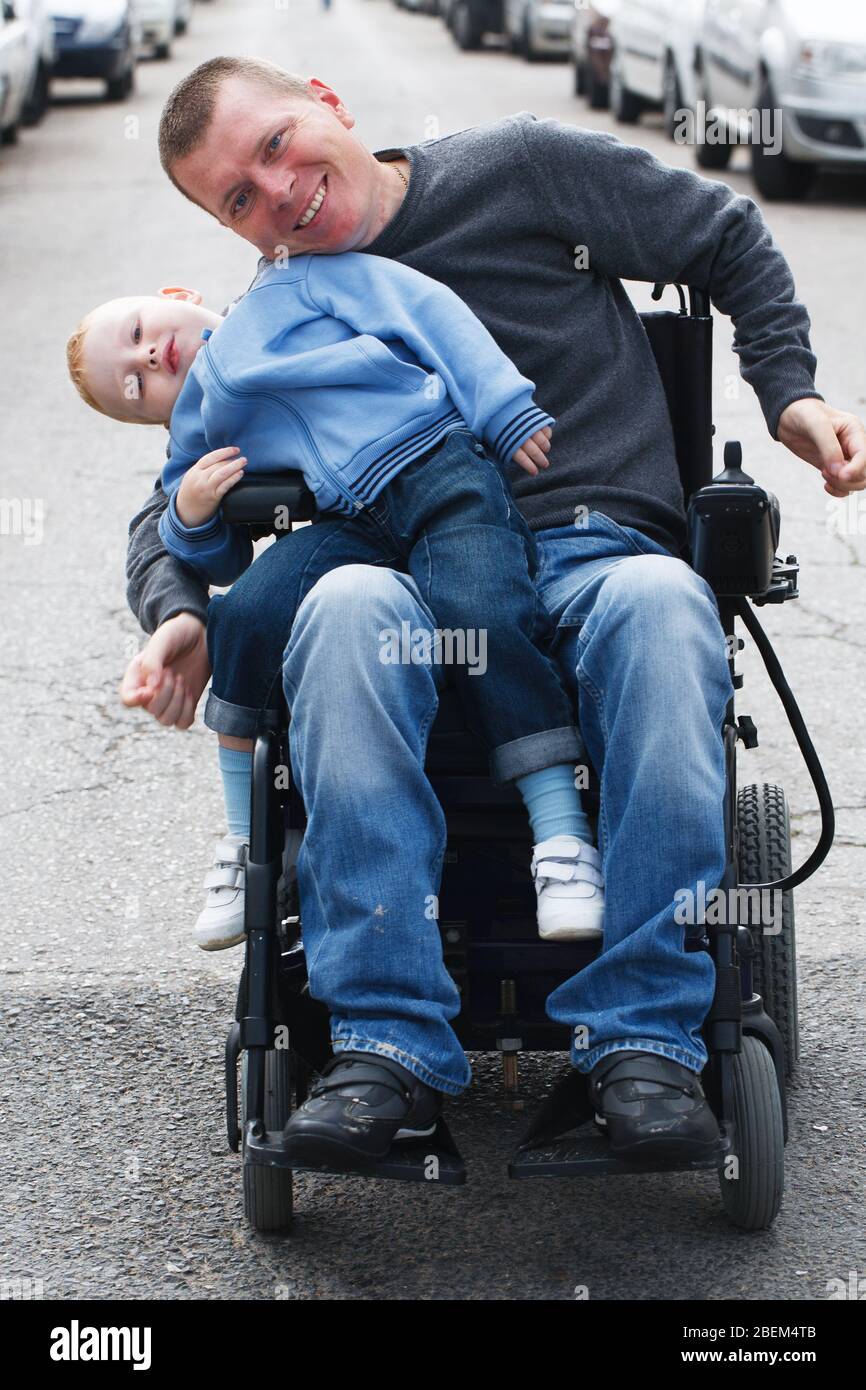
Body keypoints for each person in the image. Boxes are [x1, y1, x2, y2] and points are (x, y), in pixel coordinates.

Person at [120, 56, 866, 1169]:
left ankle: (643, 1044)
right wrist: (178, 609)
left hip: (597, 553)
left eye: (276, 144)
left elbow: (723, 235)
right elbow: (167, 503)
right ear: (233, 230)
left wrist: (789, 392)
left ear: (327, 100)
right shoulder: (280, 310)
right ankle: (384, 1047)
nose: (277, 193)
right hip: (411, 576)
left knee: (666, 604)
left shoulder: (520, 171)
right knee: (340, 609)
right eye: (239, 198)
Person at [68, 257, 607, 949]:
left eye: (139, 330)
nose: (146, 357)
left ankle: (562, 838)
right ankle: (246, 846)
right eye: (134, 387)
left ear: (177, 294)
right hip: (349, 520)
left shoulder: (287, 286)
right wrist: (191, 514)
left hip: (437, 468)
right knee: (246, 614)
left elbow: (426, 307)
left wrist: (502, 406)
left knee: (479, 607)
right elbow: (218, 559)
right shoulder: (195, 431)